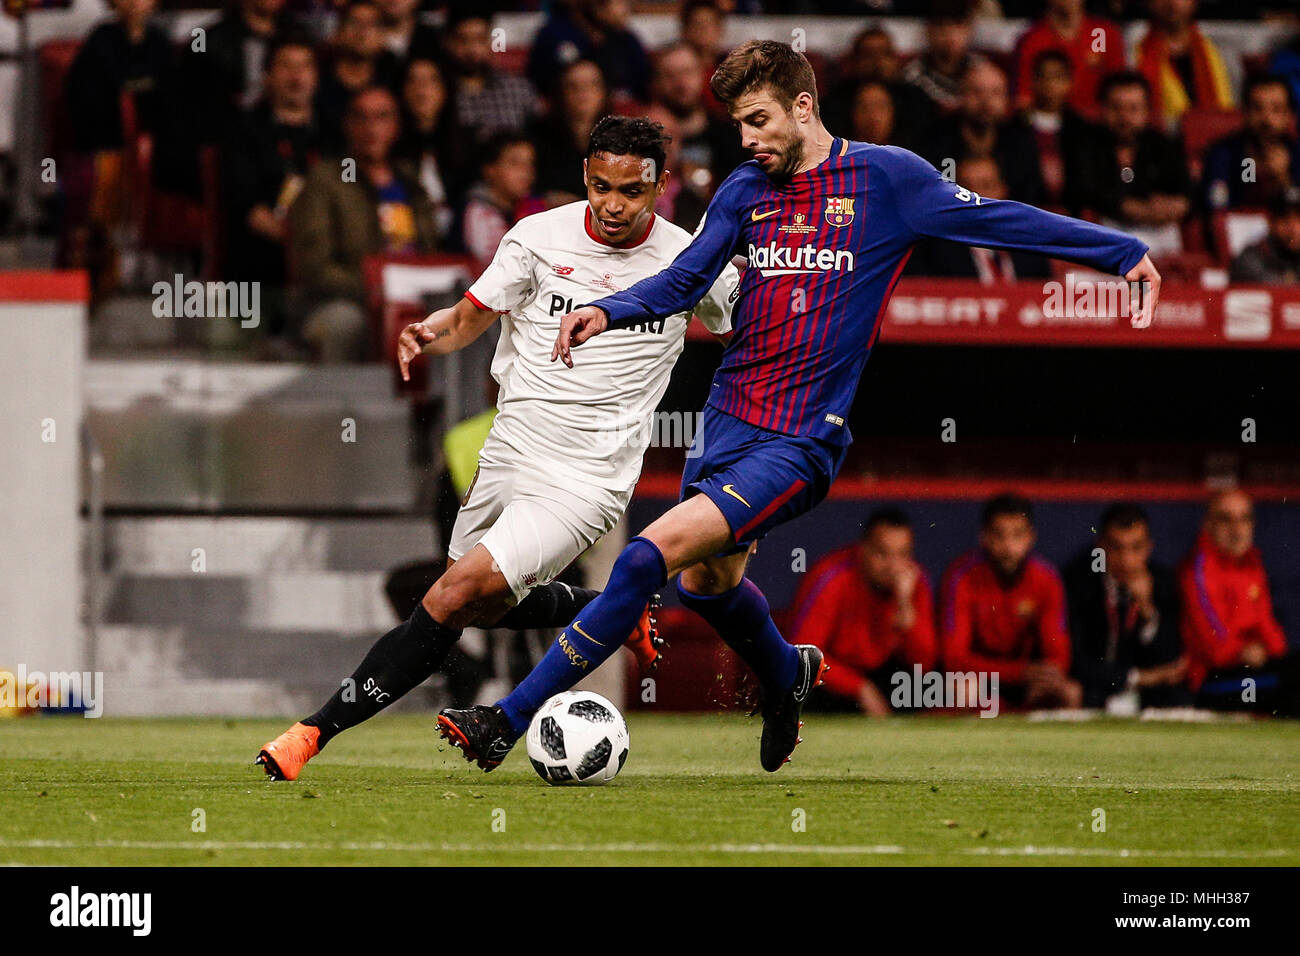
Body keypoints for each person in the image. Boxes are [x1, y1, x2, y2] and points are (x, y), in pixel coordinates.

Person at [436, 40, 1160, 774]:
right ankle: (788, 676)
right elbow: (688, 279)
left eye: (758, 120)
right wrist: (608, 311)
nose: (747, 139)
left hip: (801, 440)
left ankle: (506, 719)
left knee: (644, 559)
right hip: (726, 423)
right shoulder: (745, 189)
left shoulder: (888, 179)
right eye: (739, 124)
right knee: (707, 588)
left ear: (803, 107)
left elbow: (999, 220)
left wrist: (1119, 251)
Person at [256, 116, 739, 779]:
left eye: (632, 190)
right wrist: (433, 332)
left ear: (659, 185)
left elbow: (757, 333)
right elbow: (469, 319)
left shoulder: (692, 259)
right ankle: (612, 607)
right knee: (477, 606)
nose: (614, 204)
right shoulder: (539, 237)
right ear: (586, 177)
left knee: (452, 597)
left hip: (586, 479)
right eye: (601, 186)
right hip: (510, 452)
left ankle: (311, 733)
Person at [288, 86, 438, 362]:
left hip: (414, 298)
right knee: (344, 325)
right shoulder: (325, 181)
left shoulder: (411, 181)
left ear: (395, 127)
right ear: (348, 126)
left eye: (382, 118)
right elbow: (315, 266)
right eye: (362, 118)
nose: (372, 128)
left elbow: (432, 251)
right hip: (344, 301)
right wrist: (375, 291)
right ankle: (340, 406)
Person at [223, 34, 322, 352]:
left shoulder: (335, 132)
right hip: (262, 256)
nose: (296, 76)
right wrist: (296, 240)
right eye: (286, 67)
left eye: (304, 67)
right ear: (266, 76)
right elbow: (247, 208)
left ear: (316, 76)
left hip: (323, 257)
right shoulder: (244, 131)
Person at [789, 508, 937, 716]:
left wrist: (905, 606)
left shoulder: (915, 581)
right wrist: (860, 688)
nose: (893, 566)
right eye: (882, 553)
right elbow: (804, 654)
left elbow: (925, 665)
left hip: (882, 676)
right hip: (833, 679)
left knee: (936, 687)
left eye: (902, 554)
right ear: (863, 550)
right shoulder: (832, 577)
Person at [942, 495, 1082, 709]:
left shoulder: (1046, 579)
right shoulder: (962, 577)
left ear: (1031, 537)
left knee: (1069, 692)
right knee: (964, 687)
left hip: (1028, 680)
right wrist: (1018, 672)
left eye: (1017, 535)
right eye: (999, 535)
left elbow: (1058, 654)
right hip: (984, 678)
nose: (1008, 546)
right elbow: (954, 658)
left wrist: (1043, 676)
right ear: (984, 537)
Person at [1179, 490, 1298, 716]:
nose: (1237, 530)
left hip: (1259, 672)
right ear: (1208, 525)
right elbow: (1215, 647)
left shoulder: (1252, 565)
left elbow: (1272, 634)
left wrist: (1267, 653)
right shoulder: (1198, 570)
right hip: (1212, 682)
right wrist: (1245, 651)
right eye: (1226, 520)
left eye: (1244, 519)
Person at [1064, 503, 1189, 710]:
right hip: (1099, 690)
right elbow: (1076, 661)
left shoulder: (1165, 583)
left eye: (1136, 548)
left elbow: (1173, 663)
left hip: (1151, 695)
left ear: (1149, 547)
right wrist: (1139, 677)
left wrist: (1148, 612)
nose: (1126, 560)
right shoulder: (1078, 583)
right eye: (1116, 547)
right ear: (1101, 547)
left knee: (1178, 698)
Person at [1071, 71, 1190, 253]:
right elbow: (1082, 191)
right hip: (1104, 231)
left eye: (1133, 109)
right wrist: (1128, 207)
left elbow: (1188, 191)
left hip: (1160, 231)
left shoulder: (1163, 145)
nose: (1124, 118)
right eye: (1116, 108)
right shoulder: (1086, 144)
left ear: (1147, 112)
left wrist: (1179, 204)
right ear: (1102, 108)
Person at [1013, 0, 1125, 120]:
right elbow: (1024, 99)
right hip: (1051, 123)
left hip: (1099, 124)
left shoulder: (1100, 34)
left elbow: (1119, 89)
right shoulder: (1033, 40)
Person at [1202, 75, 1299, 213]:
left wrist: (1283, 180)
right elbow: (1216, 205)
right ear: (1245, 111)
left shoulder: (1296, 152)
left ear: (1289, 115)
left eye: (1276, 109)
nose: (1267, 119)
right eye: (1257, 108)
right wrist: (1252, 174)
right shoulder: (1224, 152)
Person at [1134, 0, 1234, 130]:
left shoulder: (1218, 48)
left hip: (1216, 134)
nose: (1172, 4)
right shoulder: (1134, 49)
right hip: (1156, 138)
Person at [1230, 185, 1300, 283]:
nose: (1294, 229)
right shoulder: (1252, 258)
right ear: (1270, 222)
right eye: (1285, 220)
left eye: (1299, 219)